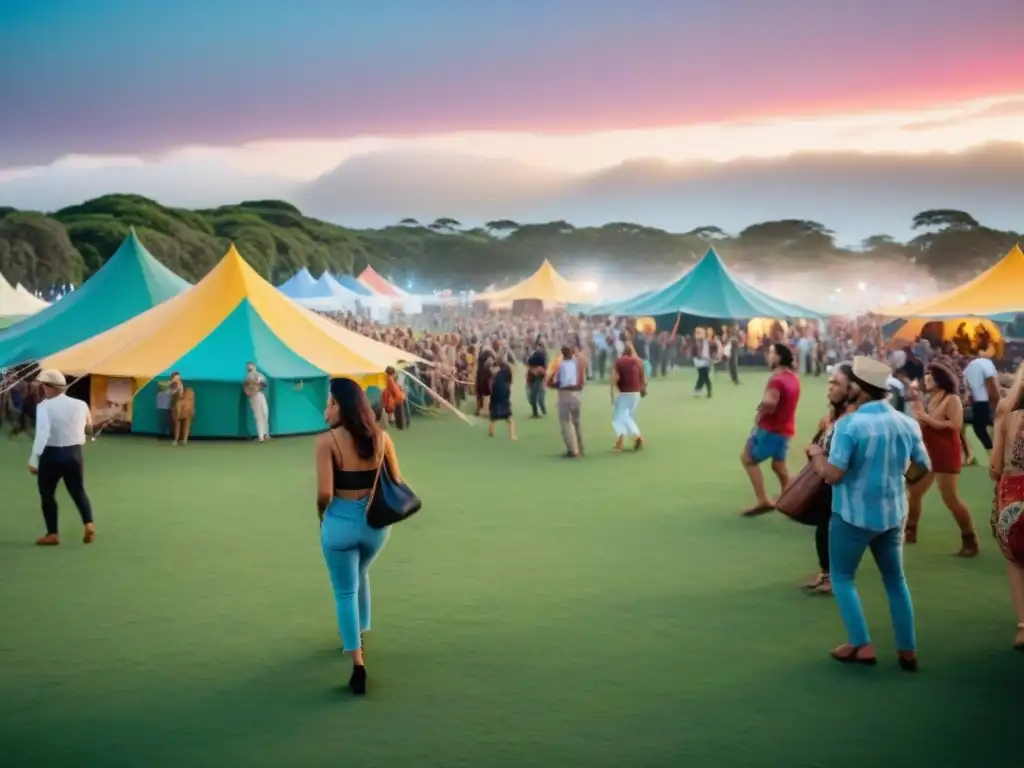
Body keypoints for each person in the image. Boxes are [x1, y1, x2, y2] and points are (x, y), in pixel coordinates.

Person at [808, 356, 930, 671]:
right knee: (895, 581)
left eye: (849, 384)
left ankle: (861, 644)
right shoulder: (906, 422)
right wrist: (900, 480)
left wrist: (816, 455)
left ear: (860, 389)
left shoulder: (850, 425)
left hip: (852, 515)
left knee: (843, 577)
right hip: (892, 515)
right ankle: (908, 650)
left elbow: (833, 474)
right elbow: (923, 467)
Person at [316, 377, 401, 695]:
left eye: (328, 402)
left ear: (338, 405)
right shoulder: (382, 438)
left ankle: (357, 663)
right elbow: (397, 480)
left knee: (344, 592)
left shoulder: (326, 442)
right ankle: (361, 629)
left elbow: (325, 493)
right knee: (361, 572)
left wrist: (320, 515)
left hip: (340, 525)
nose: (326, 409)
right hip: (375, 529)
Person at [905, 361, 979, 556]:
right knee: (914, 491)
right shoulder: (933, 398)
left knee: (950, 498)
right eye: (926, 377)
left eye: (930, 377)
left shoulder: (951, 399)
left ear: (940, 380)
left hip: (945, 452)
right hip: (928, 451)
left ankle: (969, 538)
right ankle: (910, 530)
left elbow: (955, 425)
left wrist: (927, 419)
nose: (926, 381)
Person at [801, 362, 856, 596]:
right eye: (829, 382)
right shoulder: (832, 417)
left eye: (836, 383)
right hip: (828, 482)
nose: (829, 388)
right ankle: (827, 574)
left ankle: (836, 578)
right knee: (824, 528)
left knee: (837, 531)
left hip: (846, 484)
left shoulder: (853, 419)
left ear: (852, 388)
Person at [28, 370, 95, 546]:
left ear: (48, 387)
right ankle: (88, 523)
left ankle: (52, 534)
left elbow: (42, 434)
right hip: (74, 453)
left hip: (51, 454)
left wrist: (34, 459)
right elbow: (89, 429)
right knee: (78, 491)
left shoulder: (43, 406)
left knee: (47, 494)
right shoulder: (81, 404)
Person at [741, 343, 801, 516]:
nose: (768, 355)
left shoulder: (776, 379)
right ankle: (793, 499)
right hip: (785, 430)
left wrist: (760, 414)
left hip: (770, 429)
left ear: (779, 357)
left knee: (747, 459)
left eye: (771, 353)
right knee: (778, 465)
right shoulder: (793, 378)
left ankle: (763, 500)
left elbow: (770, 403)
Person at [989, 363, 1024, 649]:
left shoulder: (1007, 414)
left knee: (1016, 561)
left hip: (1014, 497)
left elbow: (994, 466)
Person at [548, 345, 585, 458]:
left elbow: (556, 381)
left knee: (565, 423)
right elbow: (582, 380)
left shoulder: (561, 365)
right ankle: (580, 447)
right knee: (576, 422)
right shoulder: (578, 364)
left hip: (565, 394)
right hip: (577, 394)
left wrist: (551, 383)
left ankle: (572, 450)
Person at [611, 341, 646, 451]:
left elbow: (614, 377)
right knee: (627, 416)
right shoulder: (639, 361)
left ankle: (636, 436)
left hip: (625, 392)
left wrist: (613, 389)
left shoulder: (620, 362)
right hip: (636, 394)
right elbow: (644, 378)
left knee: (619, 417)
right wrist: (643, 389)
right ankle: (622, 440)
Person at [963, 354, 999, 452]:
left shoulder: (976, 367)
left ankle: (991, 451)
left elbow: (992, 388)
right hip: (983, 403)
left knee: (979, 427)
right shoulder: (984, 365)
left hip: (984, 404)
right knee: (980, 426)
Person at [487, 357, 516, 440]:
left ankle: (491, 431)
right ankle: (512, 436)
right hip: (504, 392)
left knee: (494, 415)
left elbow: (490, 382)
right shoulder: (507, 369)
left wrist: (491, 390)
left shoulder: (493, 370)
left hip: (496, 392)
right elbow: (510, 381)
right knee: (509, 418)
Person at [243, 362, 270, 442]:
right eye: (249, 368)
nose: (250, 369)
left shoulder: (259, 375)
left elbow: (264, 384)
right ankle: (261, 436)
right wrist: (253, 387)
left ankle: (266, 434)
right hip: (254, 396)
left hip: (261, 394)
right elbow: (246, 388)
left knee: (265, 413)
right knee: (258, 415)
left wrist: (259, 384)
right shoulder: (247, 378)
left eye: (251, 368)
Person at [525, 340, 548, 418]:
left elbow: (545, 369)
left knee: (539, 396)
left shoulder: (543, 356)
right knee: (530, 396)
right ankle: (535, 411)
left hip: (539, 378)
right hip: (531, 378)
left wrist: (540, 372)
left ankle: (540, 408)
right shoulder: (532, 355)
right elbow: (527, 363)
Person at [693, 328, 712, 397]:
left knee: (705, 377)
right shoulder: (697, 342)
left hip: (704, 360)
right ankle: (698, 389)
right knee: (702, 376)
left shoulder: (704, 341)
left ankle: (707, 391)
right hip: (700, 361)